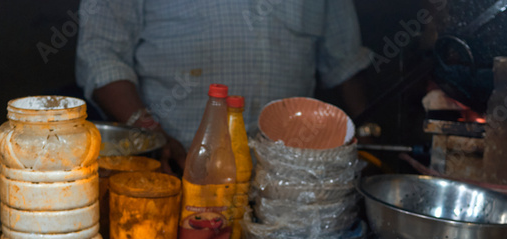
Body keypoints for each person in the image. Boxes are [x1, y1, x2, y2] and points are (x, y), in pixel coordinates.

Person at [76, 0, 373, 171]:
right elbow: (100, 55)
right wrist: (150, 136)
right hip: (180, 170)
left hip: (289, 181)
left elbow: (345, 63)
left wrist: (369, 139)